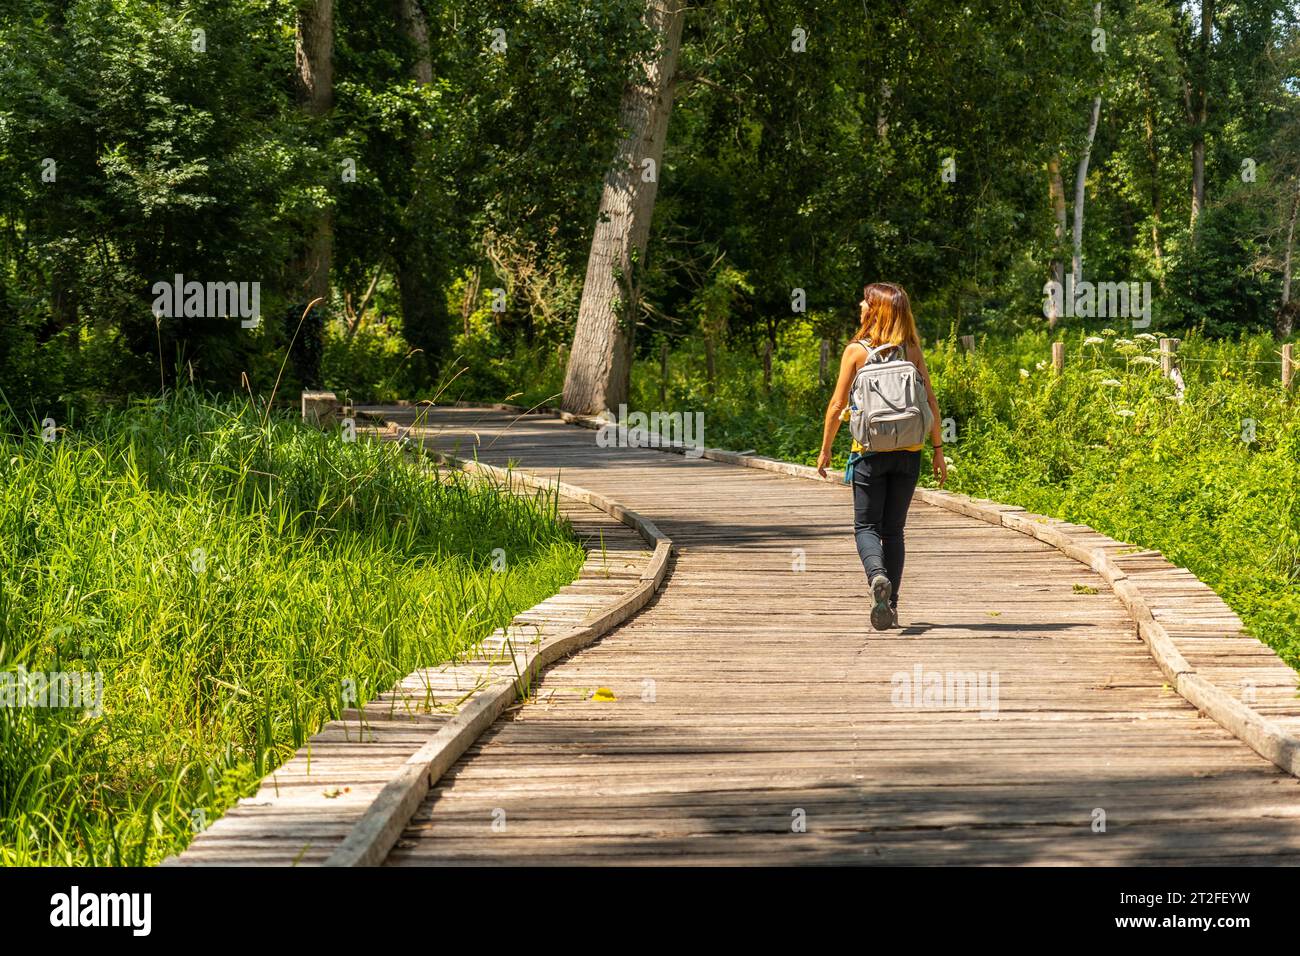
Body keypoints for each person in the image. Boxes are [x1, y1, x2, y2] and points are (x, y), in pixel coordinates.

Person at [815, 282, 947, 629]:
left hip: (869, 453)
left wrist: (826, 448)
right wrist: (938, 450)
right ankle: (893, 604)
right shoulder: (911, 349)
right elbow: (930, 402)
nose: (860, 304)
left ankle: (876, 576)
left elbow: (836, 405)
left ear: (875, 310)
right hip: (910, 453)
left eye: (866, 301)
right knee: (895, 530)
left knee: (866, 526)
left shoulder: (856, 352)